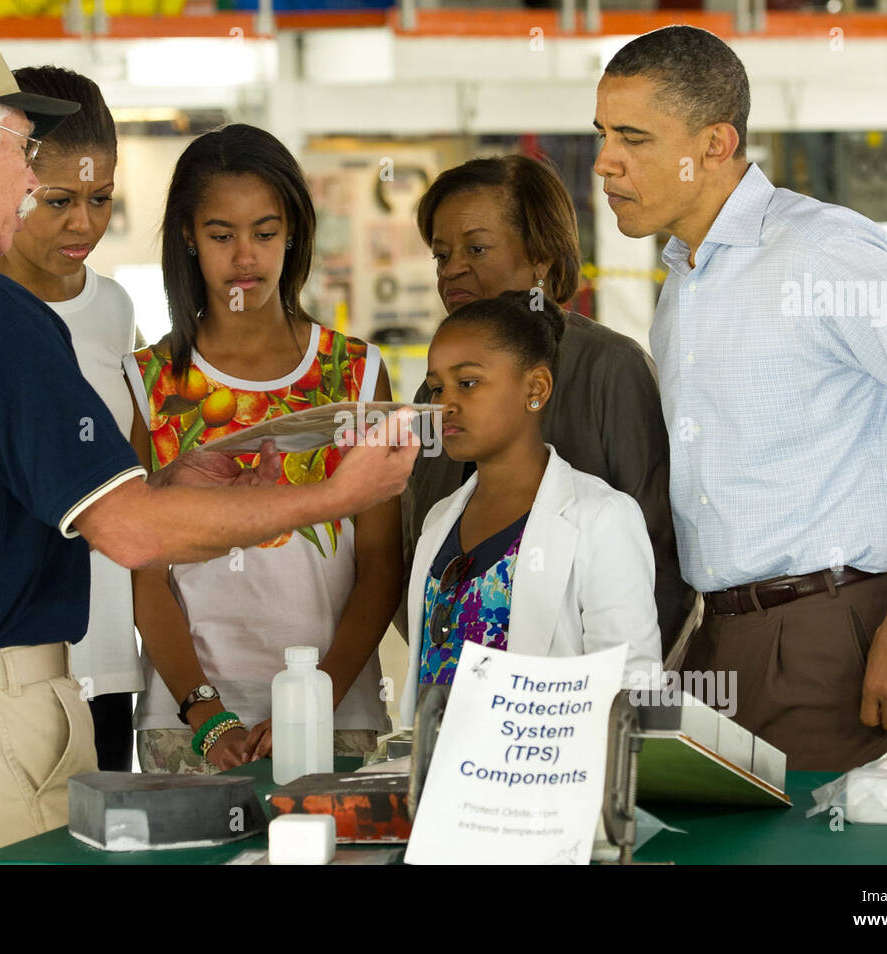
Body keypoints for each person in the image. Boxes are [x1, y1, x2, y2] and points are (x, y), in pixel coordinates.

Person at [0, 32, 418, 864]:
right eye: (21, 152)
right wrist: (333, 497)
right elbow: (132, 537)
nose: (30, 179)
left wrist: (175, 480)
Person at [594, 25, 887, 771]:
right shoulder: (686, 284)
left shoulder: (821, 253)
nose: (605, 162)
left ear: (716, 143)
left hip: (836, 634)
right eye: (603, 134)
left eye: (633, 138)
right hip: (722, 635)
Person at [124, 124, 399, 774]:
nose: (245, 255)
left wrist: (318, 696)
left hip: (339, 717)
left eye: (266, 232)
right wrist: (204, 713)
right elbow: (143, 570)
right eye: (222, 235)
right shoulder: (149, 383)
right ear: (188, 236)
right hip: (187, 727)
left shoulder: (354, 374)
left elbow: (382, 563)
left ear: (294, 232)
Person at [399, 155, 693, 663]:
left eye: (477, 248)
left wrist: (582, 707)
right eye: (441, 255)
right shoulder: (432, 395)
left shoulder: (611, 368)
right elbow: (418, 549)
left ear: (542, 261)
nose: (453, 270)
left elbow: (663, 564)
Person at [400, 290, 663, 724]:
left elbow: (632, 693)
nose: (445, 405)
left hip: (545, 780)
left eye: (468, 383)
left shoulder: (601, 517)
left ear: (535, 388)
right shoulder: (438, 522)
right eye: (435, 388)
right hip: (435, 782)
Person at [0, 66, 141, 771]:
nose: (85, 223)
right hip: (1, 669)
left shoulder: (113, 310)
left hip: (105, 662)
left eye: (100, 198)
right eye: (58, 200)